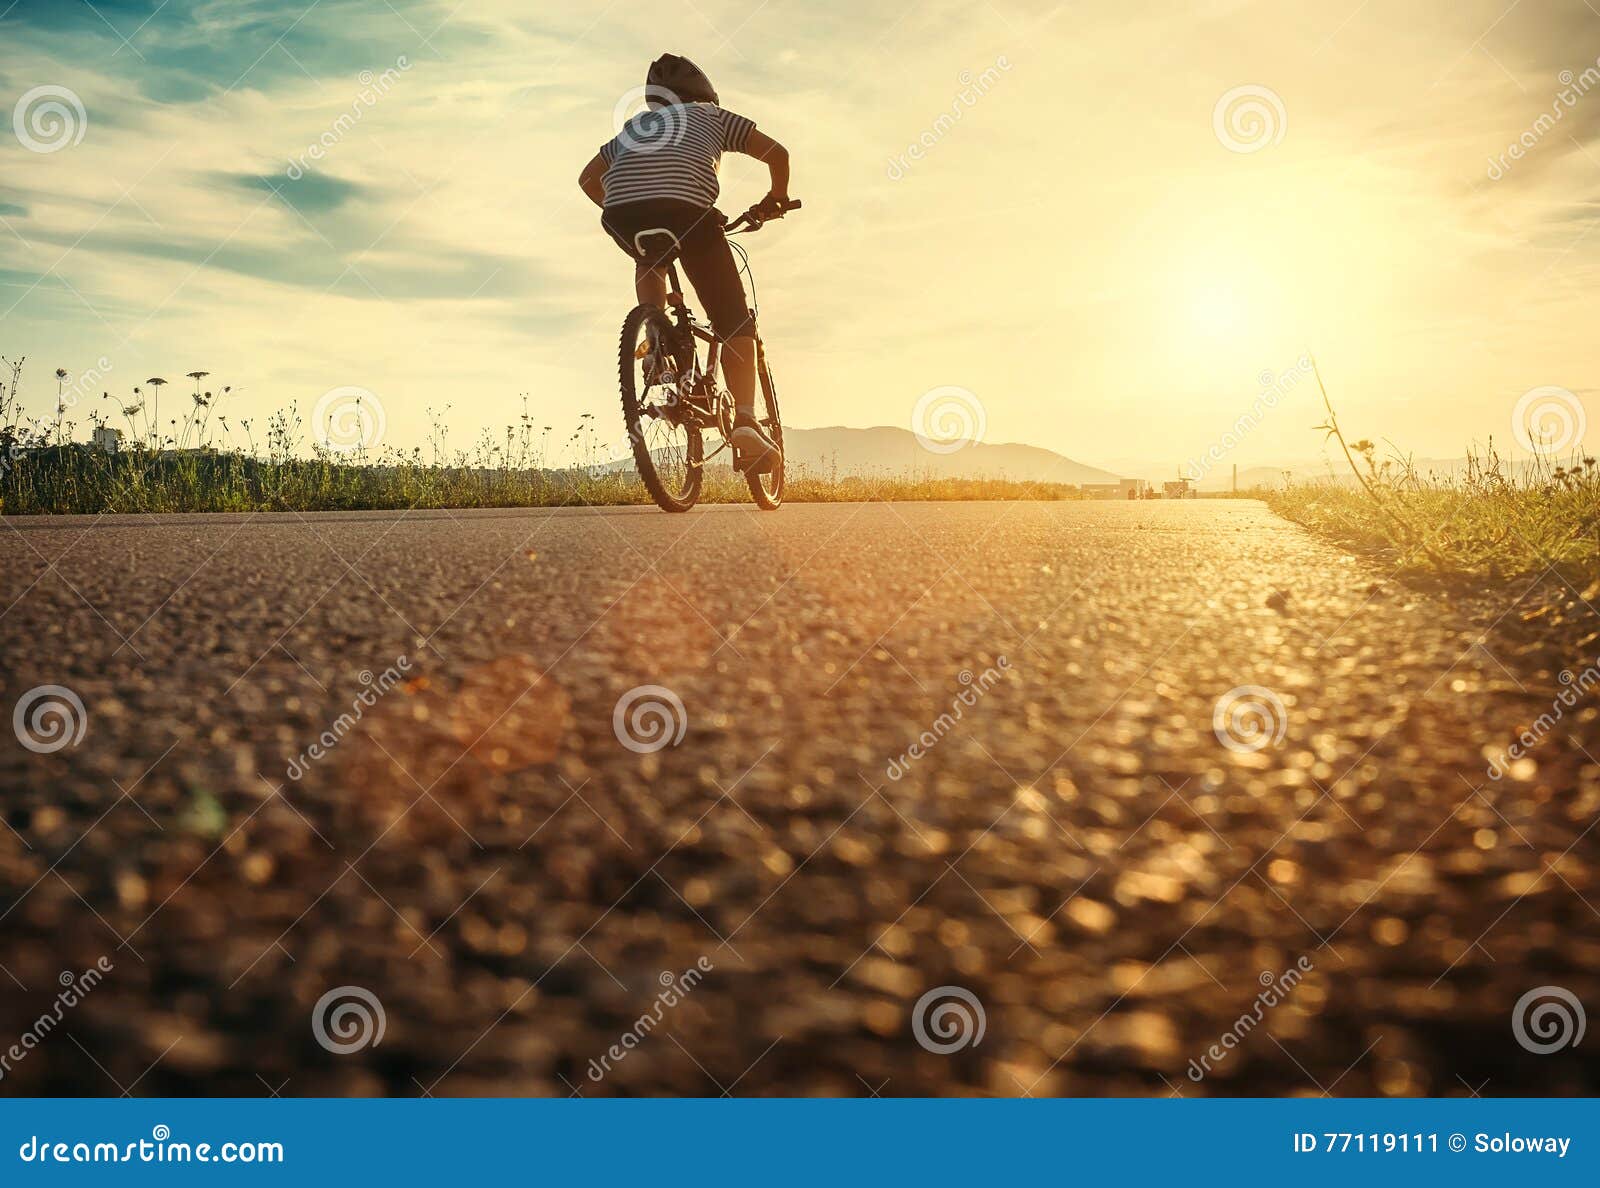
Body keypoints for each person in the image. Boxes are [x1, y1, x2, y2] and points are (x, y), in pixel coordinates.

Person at [578, 54, 791, 468]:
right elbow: (777, 154)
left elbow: (588, 178)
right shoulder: (713, 116)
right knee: (733, 321)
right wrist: (775, 200)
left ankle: (656, 335)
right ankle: (746, 422)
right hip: (688, 213)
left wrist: (628, 204)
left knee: (649, 257)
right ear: (704, 93)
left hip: (622, 214)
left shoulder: (633, 128)